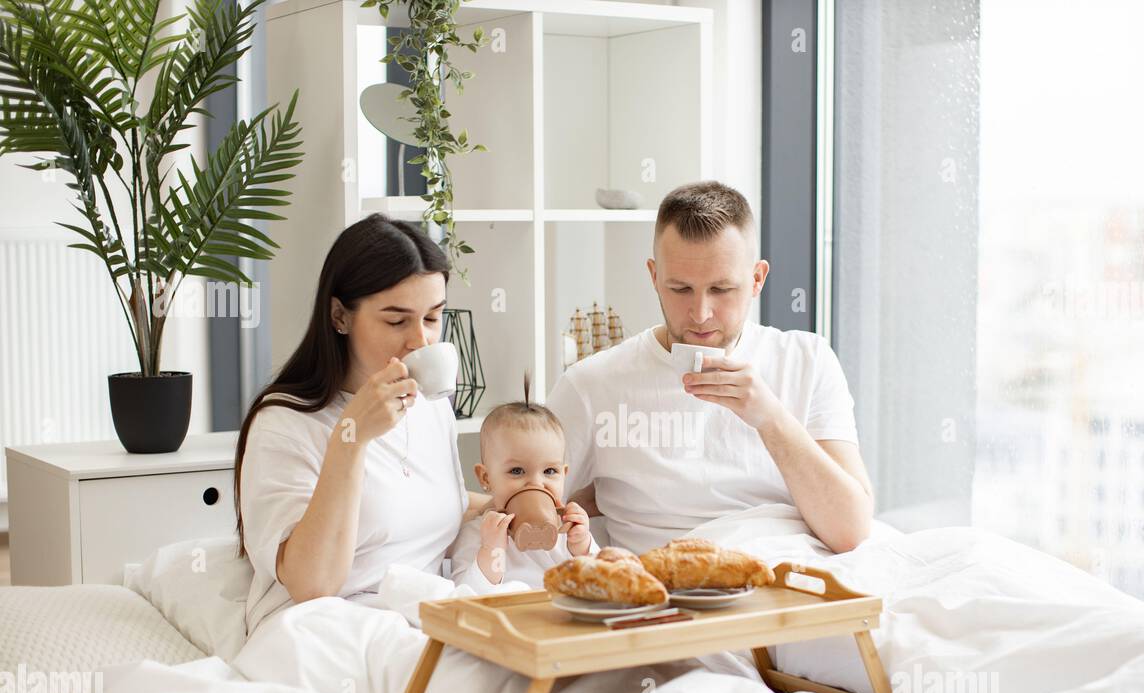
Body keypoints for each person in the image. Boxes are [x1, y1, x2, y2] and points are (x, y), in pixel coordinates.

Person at [546, 180, 876, 555]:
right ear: (654, 277)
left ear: (757, 279)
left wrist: (770, 418)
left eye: (721, 290)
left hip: (792, 582)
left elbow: (851, 530)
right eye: (680, 289)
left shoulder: (807, 360)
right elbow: (526, 495)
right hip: (675, 593)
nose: (701, 314)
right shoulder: (592, 385)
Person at [233, 213, 487, 637]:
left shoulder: (431, 406)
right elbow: (313, 585)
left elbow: (435, 504)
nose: (420, 341)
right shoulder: (283, 422)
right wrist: (351, 438)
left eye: (431, 317)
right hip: (323, 630)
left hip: (417, 620)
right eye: (396, 320)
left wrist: (518, 500)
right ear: (340, 316)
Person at [449, 378, 598, 593]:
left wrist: (583, 549)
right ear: (486, 478)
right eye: (517, 471)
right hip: (506, 621)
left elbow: (600, 584)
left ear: (564, 474)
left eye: (550, 472)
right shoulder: (478, 533)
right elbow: (465, 598)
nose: (536, 484)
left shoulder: (567, 533)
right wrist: (492, 550)